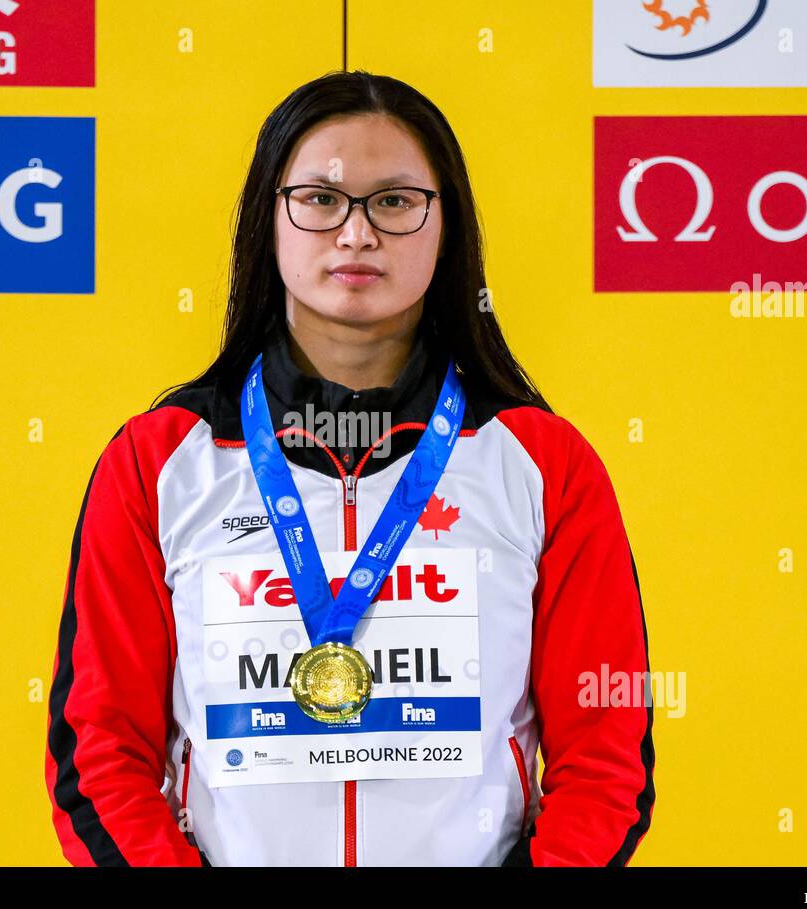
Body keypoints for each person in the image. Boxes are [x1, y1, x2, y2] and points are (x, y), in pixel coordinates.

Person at [45, 70, 655, 866]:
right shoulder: (158, 462)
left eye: (396, 202)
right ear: (269, 218)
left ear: (448, 224)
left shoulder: (543, 463)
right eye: (321, 200)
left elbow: (605, 758)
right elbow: (99, 754)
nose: (357, 234)